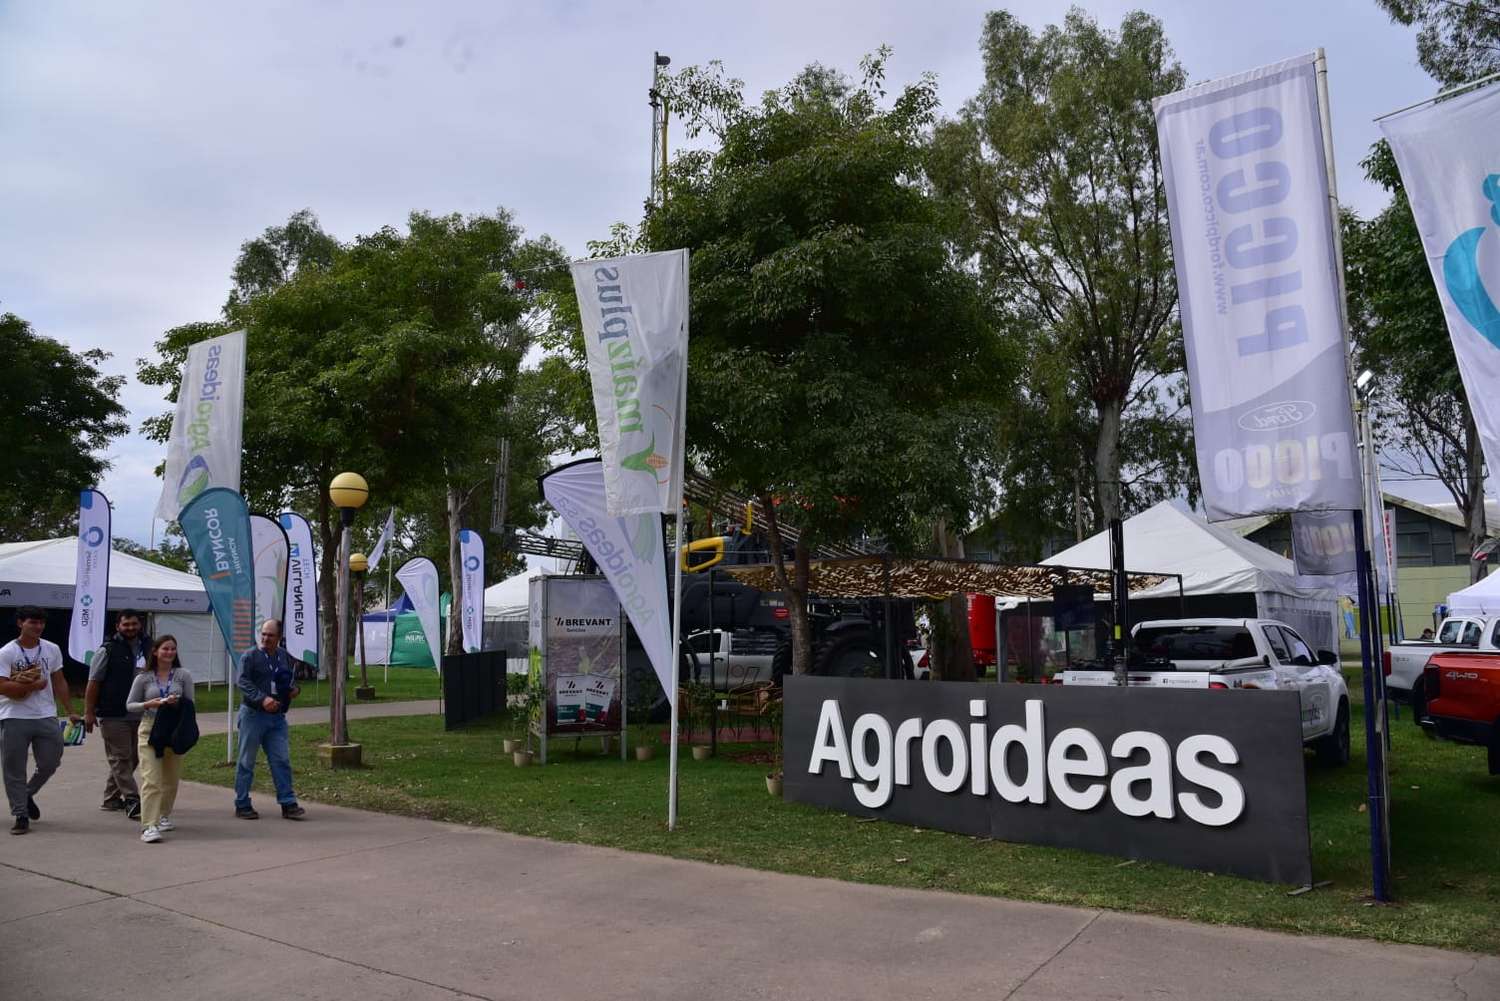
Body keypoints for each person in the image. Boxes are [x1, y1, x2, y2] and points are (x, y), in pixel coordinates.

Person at [0, 606, 81, 835]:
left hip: (45, 714)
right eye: (32, 622)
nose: (37, 626)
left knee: (50, 762)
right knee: (13, 768)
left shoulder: (51, 649)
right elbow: (2, 685)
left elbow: (59, 680)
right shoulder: (7, 652)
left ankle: (26, 794)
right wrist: (31, 685)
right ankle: (20, 814)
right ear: (20, 624)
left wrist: (70, 710)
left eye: (40, 623)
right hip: (14, 715)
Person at [234, 619, 305, 820]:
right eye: (263, 634)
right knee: (246, 761)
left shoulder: (283, 656)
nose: (265, 638)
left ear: (279, 638)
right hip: (253, 716)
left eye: (270, 635)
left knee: (281, 759)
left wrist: (295, 690)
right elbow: (243, 681)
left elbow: (291, 679)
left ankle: (288, 803)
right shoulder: (250, 656)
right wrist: (262, 698)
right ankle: (242, 803)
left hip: (277, 718)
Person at [125, 635, 193, 844]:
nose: (170, 652)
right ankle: (149, 825)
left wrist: (175, 703)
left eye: (173, 649)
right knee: (151, 779)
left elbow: (190, 704)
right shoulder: (143, 678)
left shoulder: (183, 675)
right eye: (165, 649)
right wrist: (149, 704)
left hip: (173, 731)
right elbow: (130, 705)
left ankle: (163, 815)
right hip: (150, 730)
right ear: (155, 651)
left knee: (171, 780)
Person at [83, 609, 150, 819]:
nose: (130, 628)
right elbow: (94, 682)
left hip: (141, 711)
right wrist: (89, 712)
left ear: (140, 625)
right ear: (118, 627)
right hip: (113, 712)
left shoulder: (149, 647)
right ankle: (132, 800)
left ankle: (111, 798)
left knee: (134, 758)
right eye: (126, 624)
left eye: (134, 624)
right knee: (121, 758)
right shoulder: (108, 650)